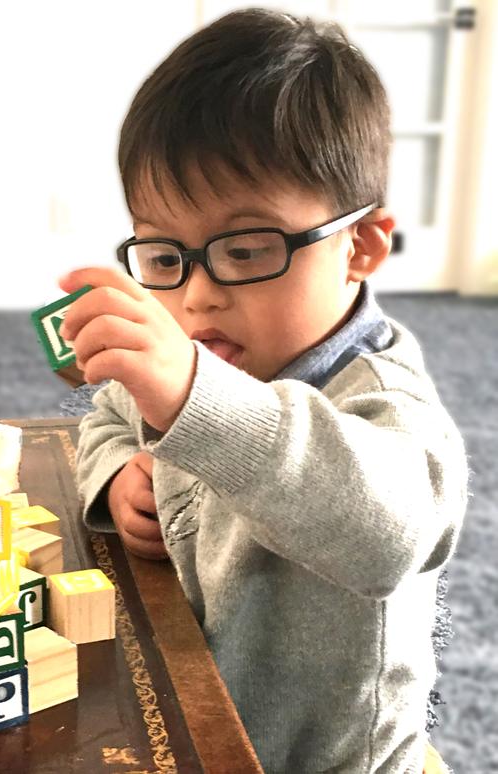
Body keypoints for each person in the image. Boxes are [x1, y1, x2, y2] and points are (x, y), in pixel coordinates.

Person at [56, 9, 468, 774]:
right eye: (165, 255)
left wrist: (193, 398)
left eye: (246, 250)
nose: (198, 296)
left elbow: (393, 535)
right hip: (196, 710)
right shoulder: (196, 349)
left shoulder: (381, 398)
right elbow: (110, 412)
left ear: (361, 245)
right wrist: (116, 477)